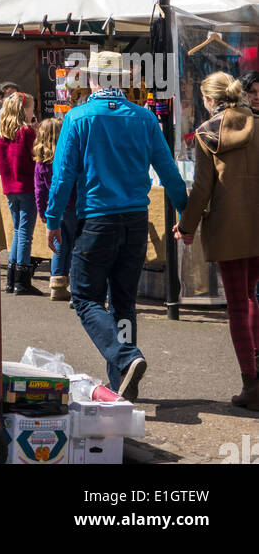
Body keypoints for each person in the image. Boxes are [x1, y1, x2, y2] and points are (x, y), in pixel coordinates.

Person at [45, 49, 188, 400]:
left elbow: (63, 177)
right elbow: (170, 173)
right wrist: (186, 215)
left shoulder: (78, 118)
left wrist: (52, 220)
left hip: (98, 220)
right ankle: (122, 382)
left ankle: (125, 359)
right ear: (123, 80)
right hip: (135, 221)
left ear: (92, 79)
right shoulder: (143, 118)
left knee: (84, 298)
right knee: (123, 302)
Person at [174, 73, 259, 409]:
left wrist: (187, 225)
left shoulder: (207, 132)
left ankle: (251, 384)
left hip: (229, 229)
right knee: (252, 297)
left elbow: (201, 190)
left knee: (239, 303)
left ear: (210, 99)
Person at [0, 91, 39, 295]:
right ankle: (22, 280)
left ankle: (11, 279)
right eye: (31, 109)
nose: (33, 112)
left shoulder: (0, 134)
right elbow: (36, 158)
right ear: (24, 110)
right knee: (24, 234)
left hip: (10, 187)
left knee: (17, 232)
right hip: (27, 186)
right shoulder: (27, 132)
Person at [33, 116, 75, 301]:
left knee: (58, 247)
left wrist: (42, 212)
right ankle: (76, 285)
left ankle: (57, 284)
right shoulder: (68, 160)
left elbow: (39, 190)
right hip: (72, 207)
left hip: (54, 210)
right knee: (75, 247)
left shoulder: (40, 163)